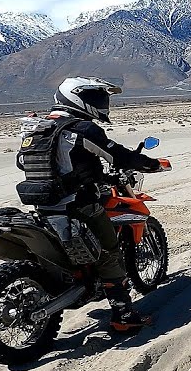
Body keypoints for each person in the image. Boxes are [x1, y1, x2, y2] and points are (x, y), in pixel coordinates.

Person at [15, 77, 163, 333]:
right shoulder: (81, 129)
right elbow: (117, 155)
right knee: (110, 253)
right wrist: (150, 164)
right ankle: (123, 316)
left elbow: (25, 162)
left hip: (42, 204)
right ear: (77, 98)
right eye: (96, 99)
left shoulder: (38, 127)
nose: (101, 104)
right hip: (77, 205)